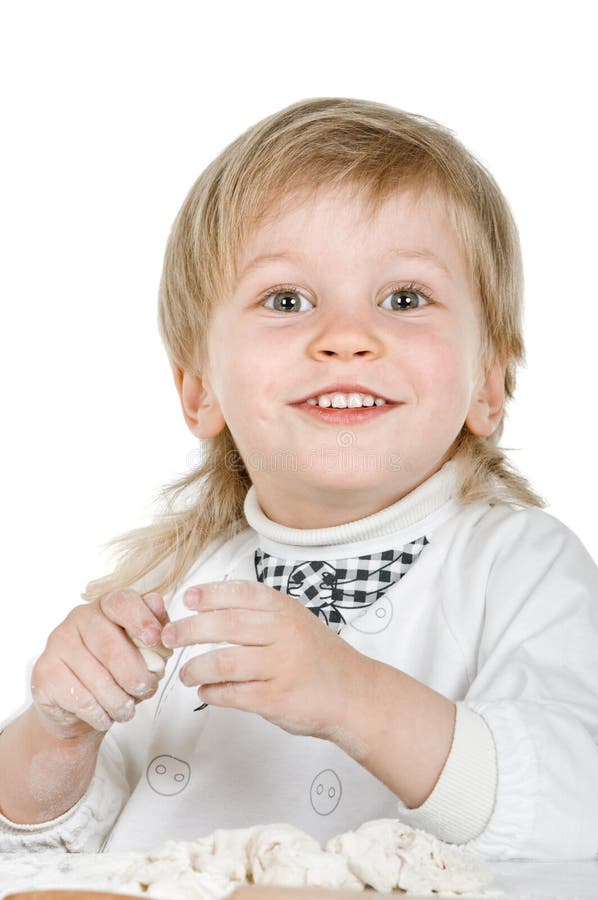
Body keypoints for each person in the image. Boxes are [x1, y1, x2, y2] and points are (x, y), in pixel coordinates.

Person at [1, 97, 597, 860]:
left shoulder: (522, 568)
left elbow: (575, 811)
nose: (346, 338)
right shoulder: (166, 586)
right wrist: (57, 730)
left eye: (404, 299)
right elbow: (31, 846)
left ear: (488, 381)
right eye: (287, 300)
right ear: (198, 389)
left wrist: (353, 695)